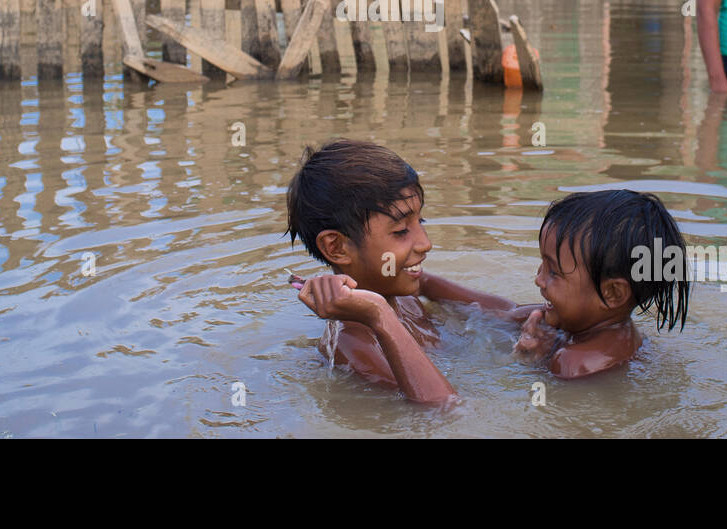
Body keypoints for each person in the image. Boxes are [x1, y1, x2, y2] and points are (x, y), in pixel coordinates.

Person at [286, 140, 533, 404]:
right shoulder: (353, 343)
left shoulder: (406, 293)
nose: (426, 243)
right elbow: (443, 408)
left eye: (420, 221)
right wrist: (379, 315)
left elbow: (507, 314)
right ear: (337, 247)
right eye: (401, 230)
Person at [513, 190, 690, 378]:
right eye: (543, 264)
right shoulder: (598, 324)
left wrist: (534, 359)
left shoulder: (572, 363)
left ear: (613, 293)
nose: (538, 279)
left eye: (554, 272)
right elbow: (505, 312)